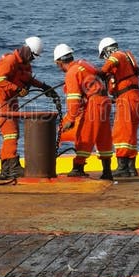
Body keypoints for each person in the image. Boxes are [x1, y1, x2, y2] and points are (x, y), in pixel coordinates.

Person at [0, 36, 55, 177]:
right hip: (1, 100)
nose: (32, 59)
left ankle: (6, 168)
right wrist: (17, 89)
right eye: (32, 56)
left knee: (12, 134)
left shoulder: (26, 65)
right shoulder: (10, 61)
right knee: (11, 133)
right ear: (27, 50)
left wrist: (44, 87)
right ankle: (13, 166)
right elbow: (0, 80)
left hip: (12, 101)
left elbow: (29, 79)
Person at [53, 43, 113, 179]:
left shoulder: (71, 73)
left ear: (59, 62)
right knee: (103, 136)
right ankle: (107, 171)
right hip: (105, 101)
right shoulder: (84, 64)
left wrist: (70, 120)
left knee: (85, 134)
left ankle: (78, 167)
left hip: (94, 103)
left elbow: (73, 101)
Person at [98, 37, 139, 177]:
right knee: (130, 134)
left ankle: (122, 167)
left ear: (107, 50)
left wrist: (99, 72)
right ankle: (131, 168)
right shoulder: (126, 60)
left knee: (120, 132)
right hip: (135, 99)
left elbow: (111, 62)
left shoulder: (117, 55)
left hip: (127, 99)